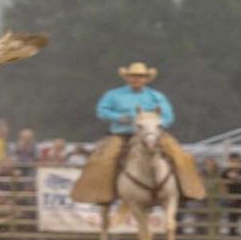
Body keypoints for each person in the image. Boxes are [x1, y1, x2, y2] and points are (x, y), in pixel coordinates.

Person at [70, 62, 205, 204]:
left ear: (146, 79)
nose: (137, 79)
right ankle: (100, 194)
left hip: (152, 133)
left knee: (180, 155)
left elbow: (168, 115)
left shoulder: (156, 96)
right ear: (127, 78)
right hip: (122, 134)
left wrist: (156, 124)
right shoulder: (114, 95)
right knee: (104, 159)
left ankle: (188, 191)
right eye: (133, 76)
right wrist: (118, 118)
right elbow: (102, 111)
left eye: (141, 76)